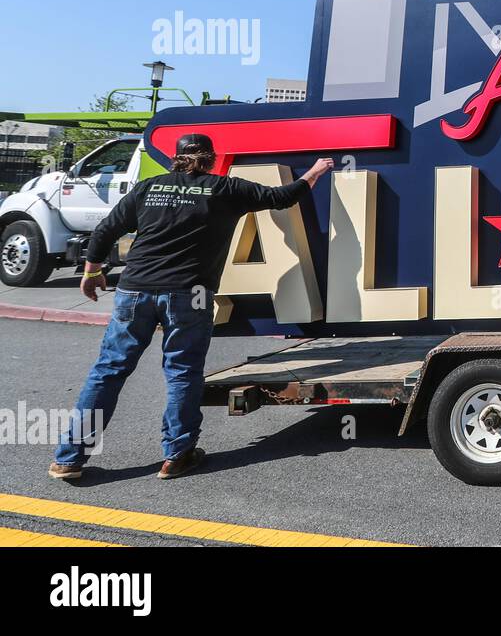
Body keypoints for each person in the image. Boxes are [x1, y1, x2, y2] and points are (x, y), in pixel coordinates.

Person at [49, 133, 333, 481]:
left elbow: (106, 230)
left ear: (175, 158)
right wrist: (315, 172)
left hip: (134, 290)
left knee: (108, 371)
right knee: (182, 372)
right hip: (189, 294)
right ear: (211, 160)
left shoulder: (148, 188)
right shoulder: (225, 189)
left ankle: (69, 458)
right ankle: (177, 455)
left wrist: (92, 272)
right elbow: (281, 197)